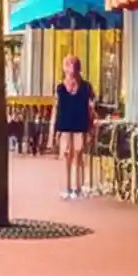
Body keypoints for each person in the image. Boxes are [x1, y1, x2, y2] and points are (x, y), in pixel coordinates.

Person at [51, 55, 95, 199]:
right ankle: (67, 186)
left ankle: (78, 186)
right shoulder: (60, 87)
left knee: (79, 152)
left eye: (74, 65)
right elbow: (56, 108)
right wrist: (53, 132)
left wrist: (91, 126)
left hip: (80, 123)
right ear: (64, 68)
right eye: (68, 65)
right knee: (67, 153)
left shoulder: (86, 87)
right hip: (65, 123)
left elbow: (91, 107)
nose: (71, 68)